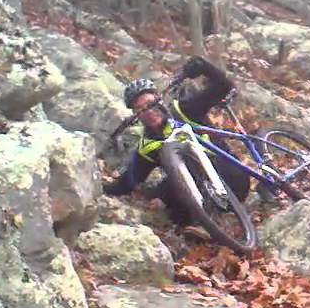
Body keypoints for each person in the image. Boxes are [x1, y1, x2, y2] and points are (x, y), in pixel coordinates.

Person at [103, 56, 251, 225]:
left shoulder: (184, 110)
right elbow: (129, 181)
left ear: (159, 100)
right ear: (136, 116)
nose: (149, 112)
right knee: (164, 194)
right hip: (201, 192)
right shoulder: (148, 146)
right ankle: (207, 232)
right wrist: (99, 188)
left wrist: (204, 67)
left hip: (233, 178)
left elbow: (223, 86)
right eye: (141, 110)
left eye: (151, 104)